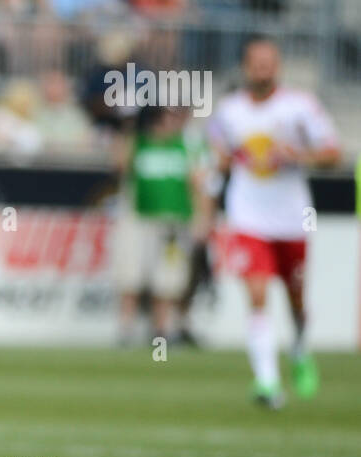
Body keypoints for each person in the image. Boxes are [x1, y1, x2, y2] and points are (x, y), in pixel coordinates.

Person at [207, 37, 340, 407]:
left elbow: (334, 153)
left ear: (277, 66)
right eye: (256, 63)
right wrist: (218, 165)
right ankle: (267, 381)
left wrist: (300, 154)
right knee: (257, 294)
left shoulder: (299, 106)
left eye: (269, 62)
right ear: (246, 67)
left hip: (292, 217)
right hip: (248, 216)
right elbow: (217, 151)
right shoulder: (229, 111)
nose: (262, 69)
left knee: (296, 299)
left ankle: (299, 350)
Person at [113, 105, 209, 345]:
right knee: (130, 275)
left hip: (174, 221)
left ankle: (161, 330)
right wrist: (131, 129)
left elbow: (199, 185)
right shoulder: (139, 144)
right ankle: (126, 329)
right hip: (139, 217)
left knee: (167, 279)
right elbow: (120, 165)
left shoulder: (188, 146)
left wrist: (202, 218)